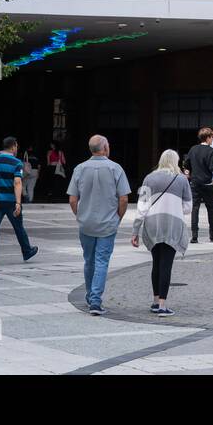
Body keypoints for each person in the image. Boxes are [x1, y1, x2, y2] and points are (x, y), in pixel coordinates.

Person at [67, 134, 131, 316]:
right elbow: (124, 198)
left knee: (89, 260)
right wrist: (118, 217)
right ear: (105, 148)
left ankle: (90, 296)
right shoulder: (115, 168)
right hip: (107, 223)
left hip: (86, 223)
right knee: (102, 260)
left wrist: (79, 215)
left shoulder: (80, 168)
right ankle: (96, 300)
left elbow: (72, 199)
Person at [131, 149, 192, 317]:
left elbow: (141, 207)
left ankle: (156, 300)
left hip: (153, 225)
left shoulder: (149, 178)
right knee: (166, 265)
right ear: (176, 161)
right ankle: (163, 306)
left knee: (156, 263)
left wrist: (135, 230)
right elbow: (188, 208)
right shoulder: (182, 180)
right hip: (172, 225)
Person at [0, 136, 38, 268]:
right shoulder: (16, 163)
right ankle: (27, 251)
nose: (17, 149)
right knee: (19, 228)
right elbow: (17, 182)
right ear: (13, 146)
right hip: (11, 202)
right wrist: (18, 203)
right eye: (17, 146)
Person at [185, 128, 213, 240]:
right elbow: (211, 167)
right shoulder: (211, 151)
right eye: (211, 137)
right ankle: (212, 234)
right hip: (207, 183)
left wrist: (190, 172)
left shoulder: (193, 149)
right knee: (210, 208)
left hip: (195, 182)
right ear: (208, 138)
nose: (212, 140)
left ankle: (194, 236)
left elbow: (187, 164)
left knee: (195, 208)